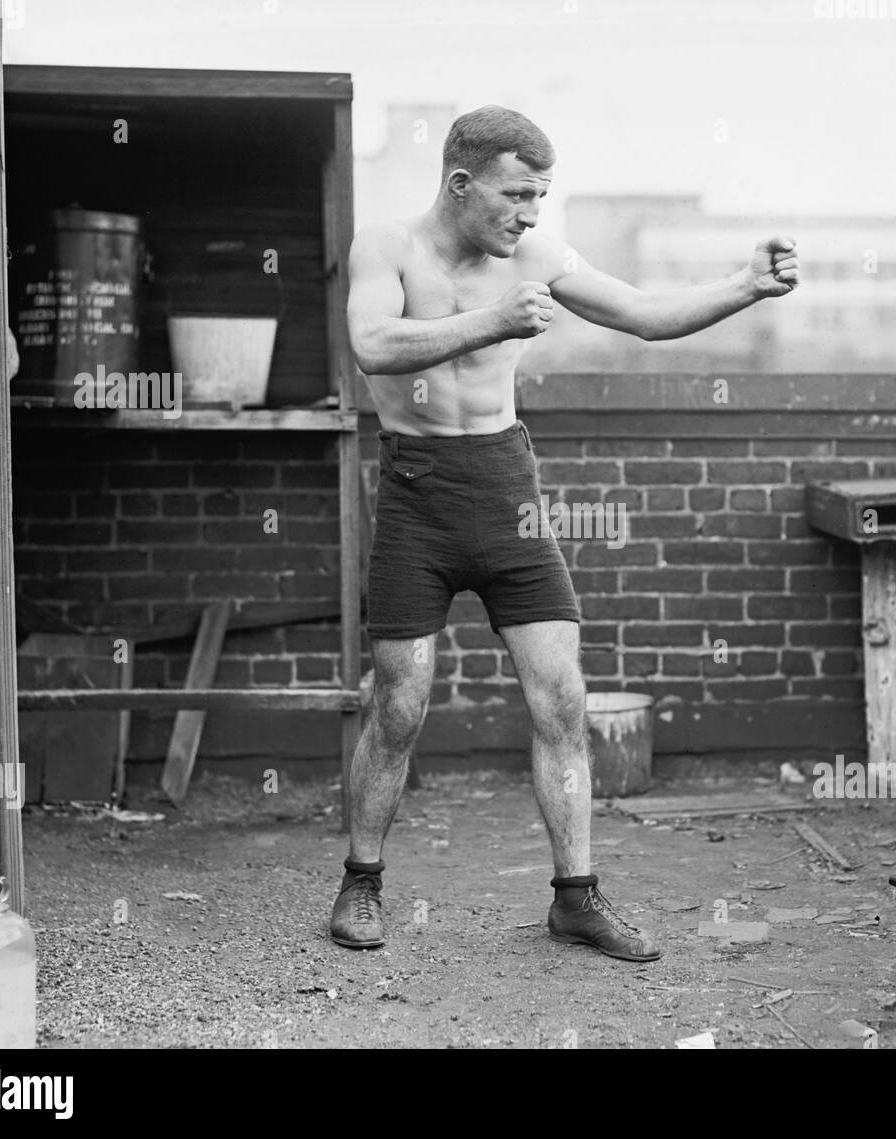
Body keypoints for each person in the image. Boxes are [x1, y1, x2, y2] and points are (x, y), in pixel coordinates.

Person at [334, 105, 799, 961]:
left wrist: (747, 285)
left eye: (540, 197)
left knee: (562, 696)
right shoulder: (387, 247)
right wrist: (496, 320)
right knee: (399, 703)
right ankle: (361, 880)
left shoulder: (538, 257)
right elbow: (373, 343)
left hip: (507, 490)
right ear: (460, 183)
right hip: (416, 495)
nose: (529, 215)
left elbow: (645, 314)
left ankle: (576, 898)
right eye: (516, 195)